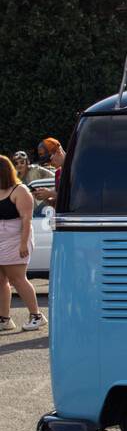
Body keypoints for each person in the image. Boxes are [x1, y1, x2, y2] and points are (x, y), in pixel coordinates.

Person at [0, 156, 47, 333]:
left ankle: (36, 316)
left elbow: (26, 220)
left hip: (16, 239)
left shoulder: (20, 190)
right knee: (1, 280)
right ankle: (4, 319)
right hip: (1, 240)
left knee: (17, 279)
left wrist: (23, 244)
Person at [32, 137, 65, 204]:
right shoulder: (58, 173)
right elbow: (59, 202)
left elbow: (77, 196)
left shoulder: (75, 168)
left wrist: (50, 193)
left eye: (50, 160)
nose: (50, 165)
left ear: (58, 151)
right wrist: (46, 198)